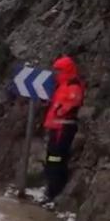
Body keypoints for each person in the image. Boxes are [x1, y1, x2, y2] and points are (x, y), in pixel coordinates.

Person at [42, 54, 85, 202]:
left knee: (56, 159)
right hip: (56, 127)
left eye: (58, 71)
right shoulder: (62, 85)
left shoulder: (73, 85)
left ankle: (54, 190)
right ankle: (51, 189)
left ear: (66, 70)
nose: (56, 74)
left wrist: (59, 111)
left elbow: (71, 104)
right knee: (52, 158)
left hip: (63, 128)